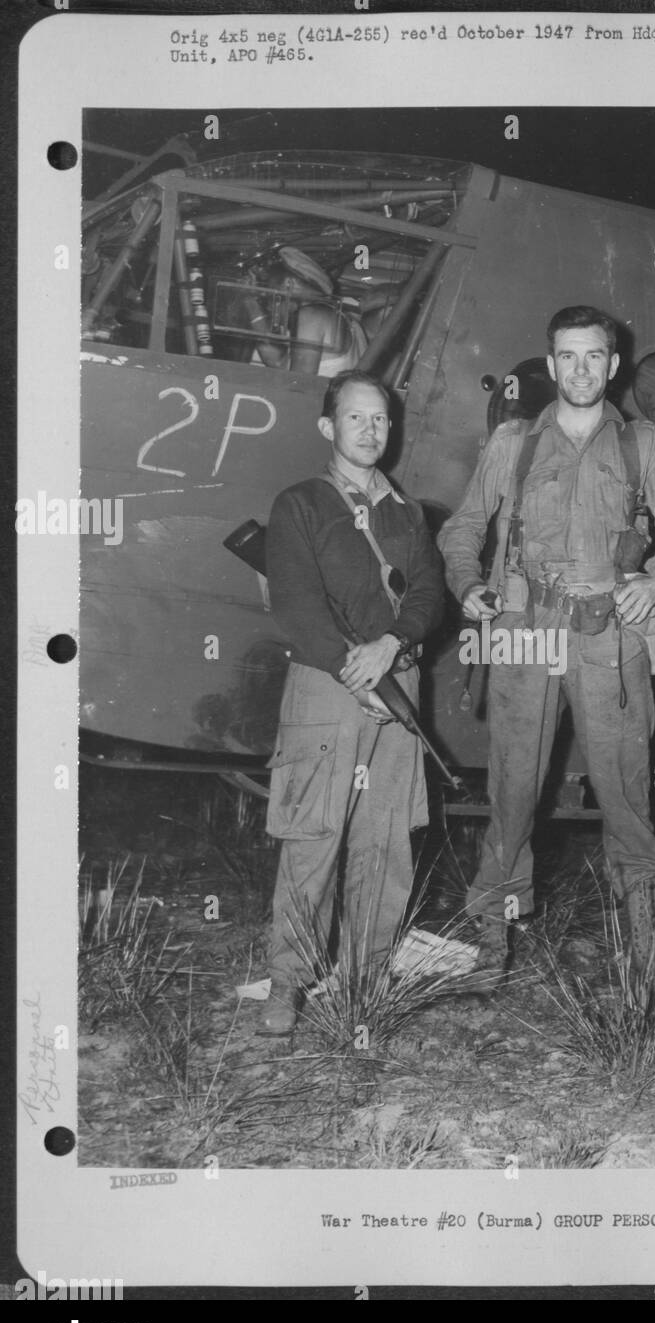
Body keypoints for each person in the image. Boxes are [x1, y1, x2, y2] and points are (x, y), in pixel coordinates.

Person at [438, 305, 655, 978]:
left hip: (613, 637)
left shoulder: (643, 446)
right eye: (568, 357)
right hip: (527, 632)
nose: (581, 369)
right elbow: (463, 526)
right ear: (551, 367)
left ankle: (643, 949)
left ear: (613, 366)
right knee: (513, 788)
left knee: (627, 792)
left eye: (594, 357)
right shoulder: (513, 444)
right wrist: (467, 583)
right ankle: (494, 933)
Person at [259, 370, 445, 1035]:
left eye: (381, 420)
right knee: (313, 836)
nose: (370, 431)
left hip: (397, 685)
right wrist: (355, 671)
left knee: (385, 839)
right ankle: (288, 983)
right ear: (328, 427)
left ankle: (367, 979)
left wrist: (392, 646)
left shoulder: (407, 513)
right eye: (356, 418)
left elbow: (428, 593)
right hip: (327, 687)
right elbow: (298, 605)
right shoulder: (300, 505)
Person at [243, 247, 367, 376]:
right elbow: (279, 363)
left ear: (288, 284)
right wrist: (250, 302)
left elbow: (298, 385)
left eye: (272, 289)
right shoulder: (350, 321)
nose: (270, 304)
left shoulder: (311, 316)